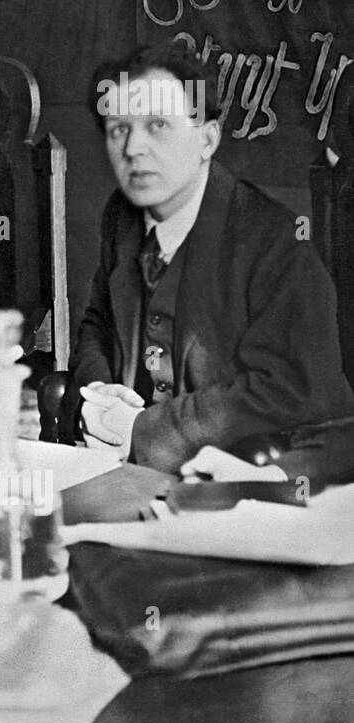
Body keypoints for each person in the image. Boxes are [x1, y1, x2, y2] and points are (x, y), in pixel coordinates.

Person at [66, 42, 354, 472]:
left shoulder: (275, 240)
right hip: (126, 473)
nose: (133, 149)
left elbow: (296, 389)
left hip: (232, 487)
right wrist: (98, 394)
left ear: (207, 138)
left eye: (158, 124)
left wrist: (144, 431)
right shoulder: (121, 217)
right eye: (118, 129)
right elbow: (97, 323)